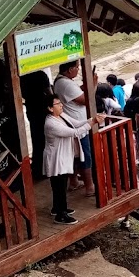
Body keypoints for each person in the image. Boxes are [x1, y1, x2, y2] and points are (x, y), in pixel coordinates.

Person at [44, 96, 101, 225]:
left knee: (61, 183)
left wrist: (91, 120)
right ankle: (61, 214)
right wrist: (92, 123)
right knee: (59, 185)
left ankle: (58, 208)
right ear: (50, 108)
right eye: (57, 104)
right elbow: (74, 132)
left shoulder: (62, 116)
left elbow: (75, 123)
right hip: (55, 158)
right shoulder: (51, 123)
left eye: (60, 103)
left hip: (62, 156)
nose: (61, 106)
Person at [54, 60, 95, 196]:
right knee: (84, 155)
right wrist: (93, 84)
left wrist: (87, 84)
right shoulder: (65, 84)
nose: (78, 70)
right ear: (70, 69)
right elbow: (86, 99)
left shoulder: (62, 81)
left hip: (71, 124)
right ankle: (90, 186)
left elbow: (78, 93)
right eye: (77, 68)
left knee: (75, 155)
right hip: (78, 126)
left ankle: (74, 182)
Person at [21, 70, 53, 179]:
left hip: (31, 110)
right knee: (47, 141)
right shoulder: (40, 75)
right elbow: (50, 94)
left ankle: (37, 169)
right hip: (43, 111)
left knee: (36, 139)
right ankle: (47, 169)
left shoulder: (23, 77)